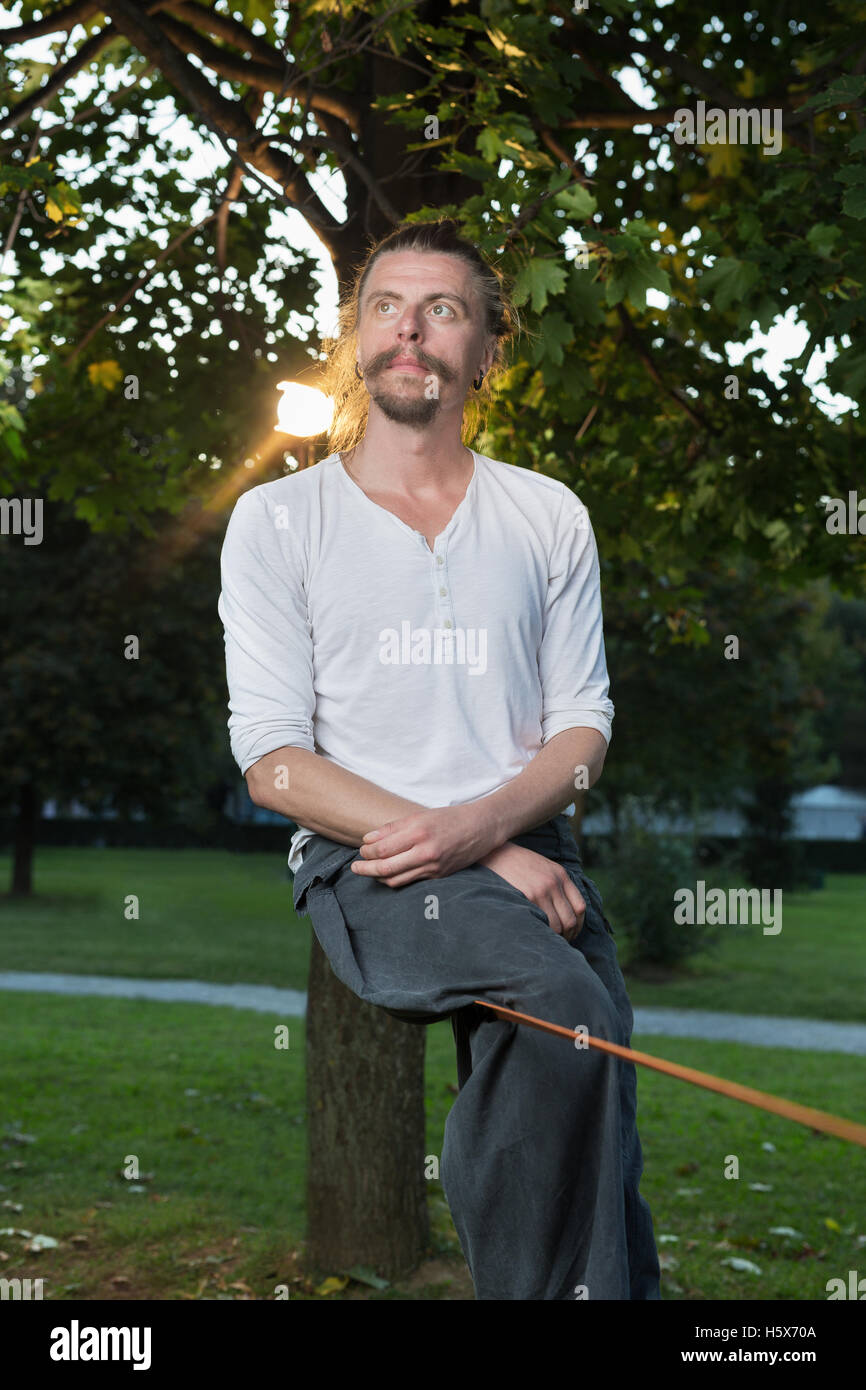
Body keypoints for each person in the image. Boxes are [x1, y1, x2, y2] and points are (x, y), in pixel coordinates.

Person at [218, 218, 660, 1301]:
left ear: (484, 352)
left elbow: (582, 727)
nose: (406, 331)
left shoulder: (545, 514)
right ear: (356, 335)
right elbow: (272, 764)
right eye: (384, 306)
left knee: (596, 1062)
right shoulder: (278, 521)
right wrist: (467, 843)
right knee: (564, 1003)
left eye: (441, 310)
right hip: (366, 862)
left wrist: (496, 831)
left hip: (528, 848)